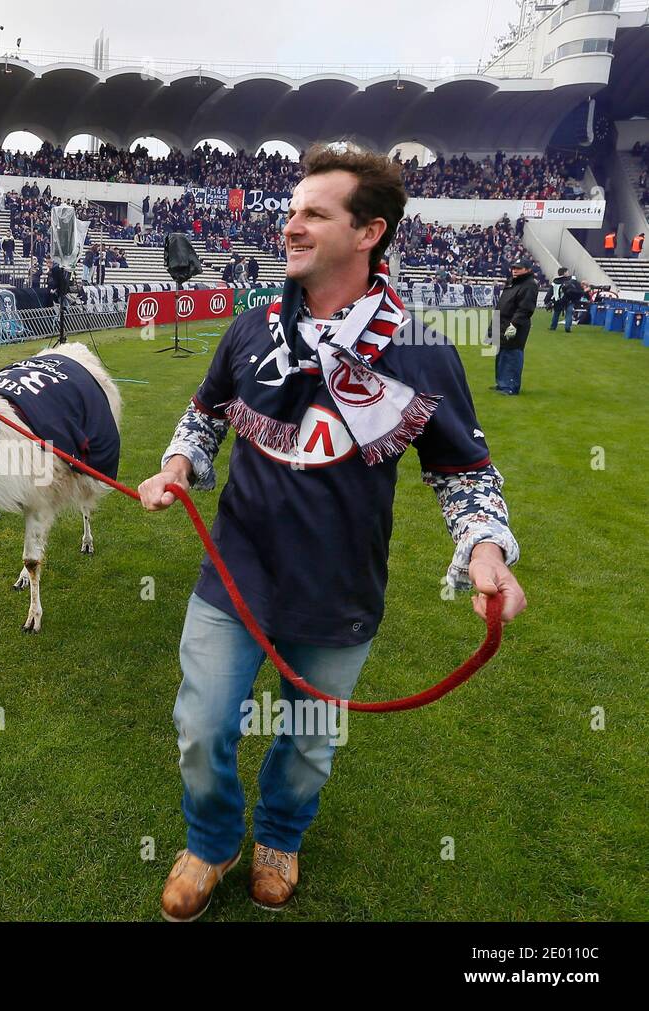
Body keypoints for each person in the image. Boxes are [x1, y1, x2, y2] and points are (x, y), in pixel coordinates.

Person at [137, 144, 526, 920]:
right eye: (292, 210)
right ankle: (211, 843)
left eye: (315, 213)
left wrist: (486, 548)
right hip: (235, 573)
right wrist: (180, 461)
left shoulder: (419, 349)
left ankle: (280, 836)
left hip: (340, 589)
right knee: (202, 723)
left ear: (369, 231)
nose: (292, 225)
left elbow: (464, 472)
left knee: (309, 741)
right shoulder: (250, 328)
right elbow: (203, 414)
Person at [493, 259, 537, 396]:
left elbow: (525, 308)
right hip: (503, 322)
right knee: (502, 354)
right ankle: (501, 383)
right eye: (514, 267)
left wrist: (514, 324)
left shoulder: (529, 285)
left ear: (528, 269)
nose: (515, 270)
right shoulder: (512, 281)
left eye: (519, 268)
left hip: (515, 324)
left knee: (513, 354)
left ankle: (511, 386)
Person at [548, 267, 581, 334]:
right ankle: (567, 328)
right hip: (568, 299)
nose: (568, 273)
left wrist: (547, 300)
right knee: (569, 313)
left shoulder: (555, 281)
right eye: (567, 272)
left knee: (556, 314)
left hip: (558, 300)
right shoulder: (570, 280)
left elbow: (550, 291)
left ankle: (553, 327)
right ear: (565, 273)